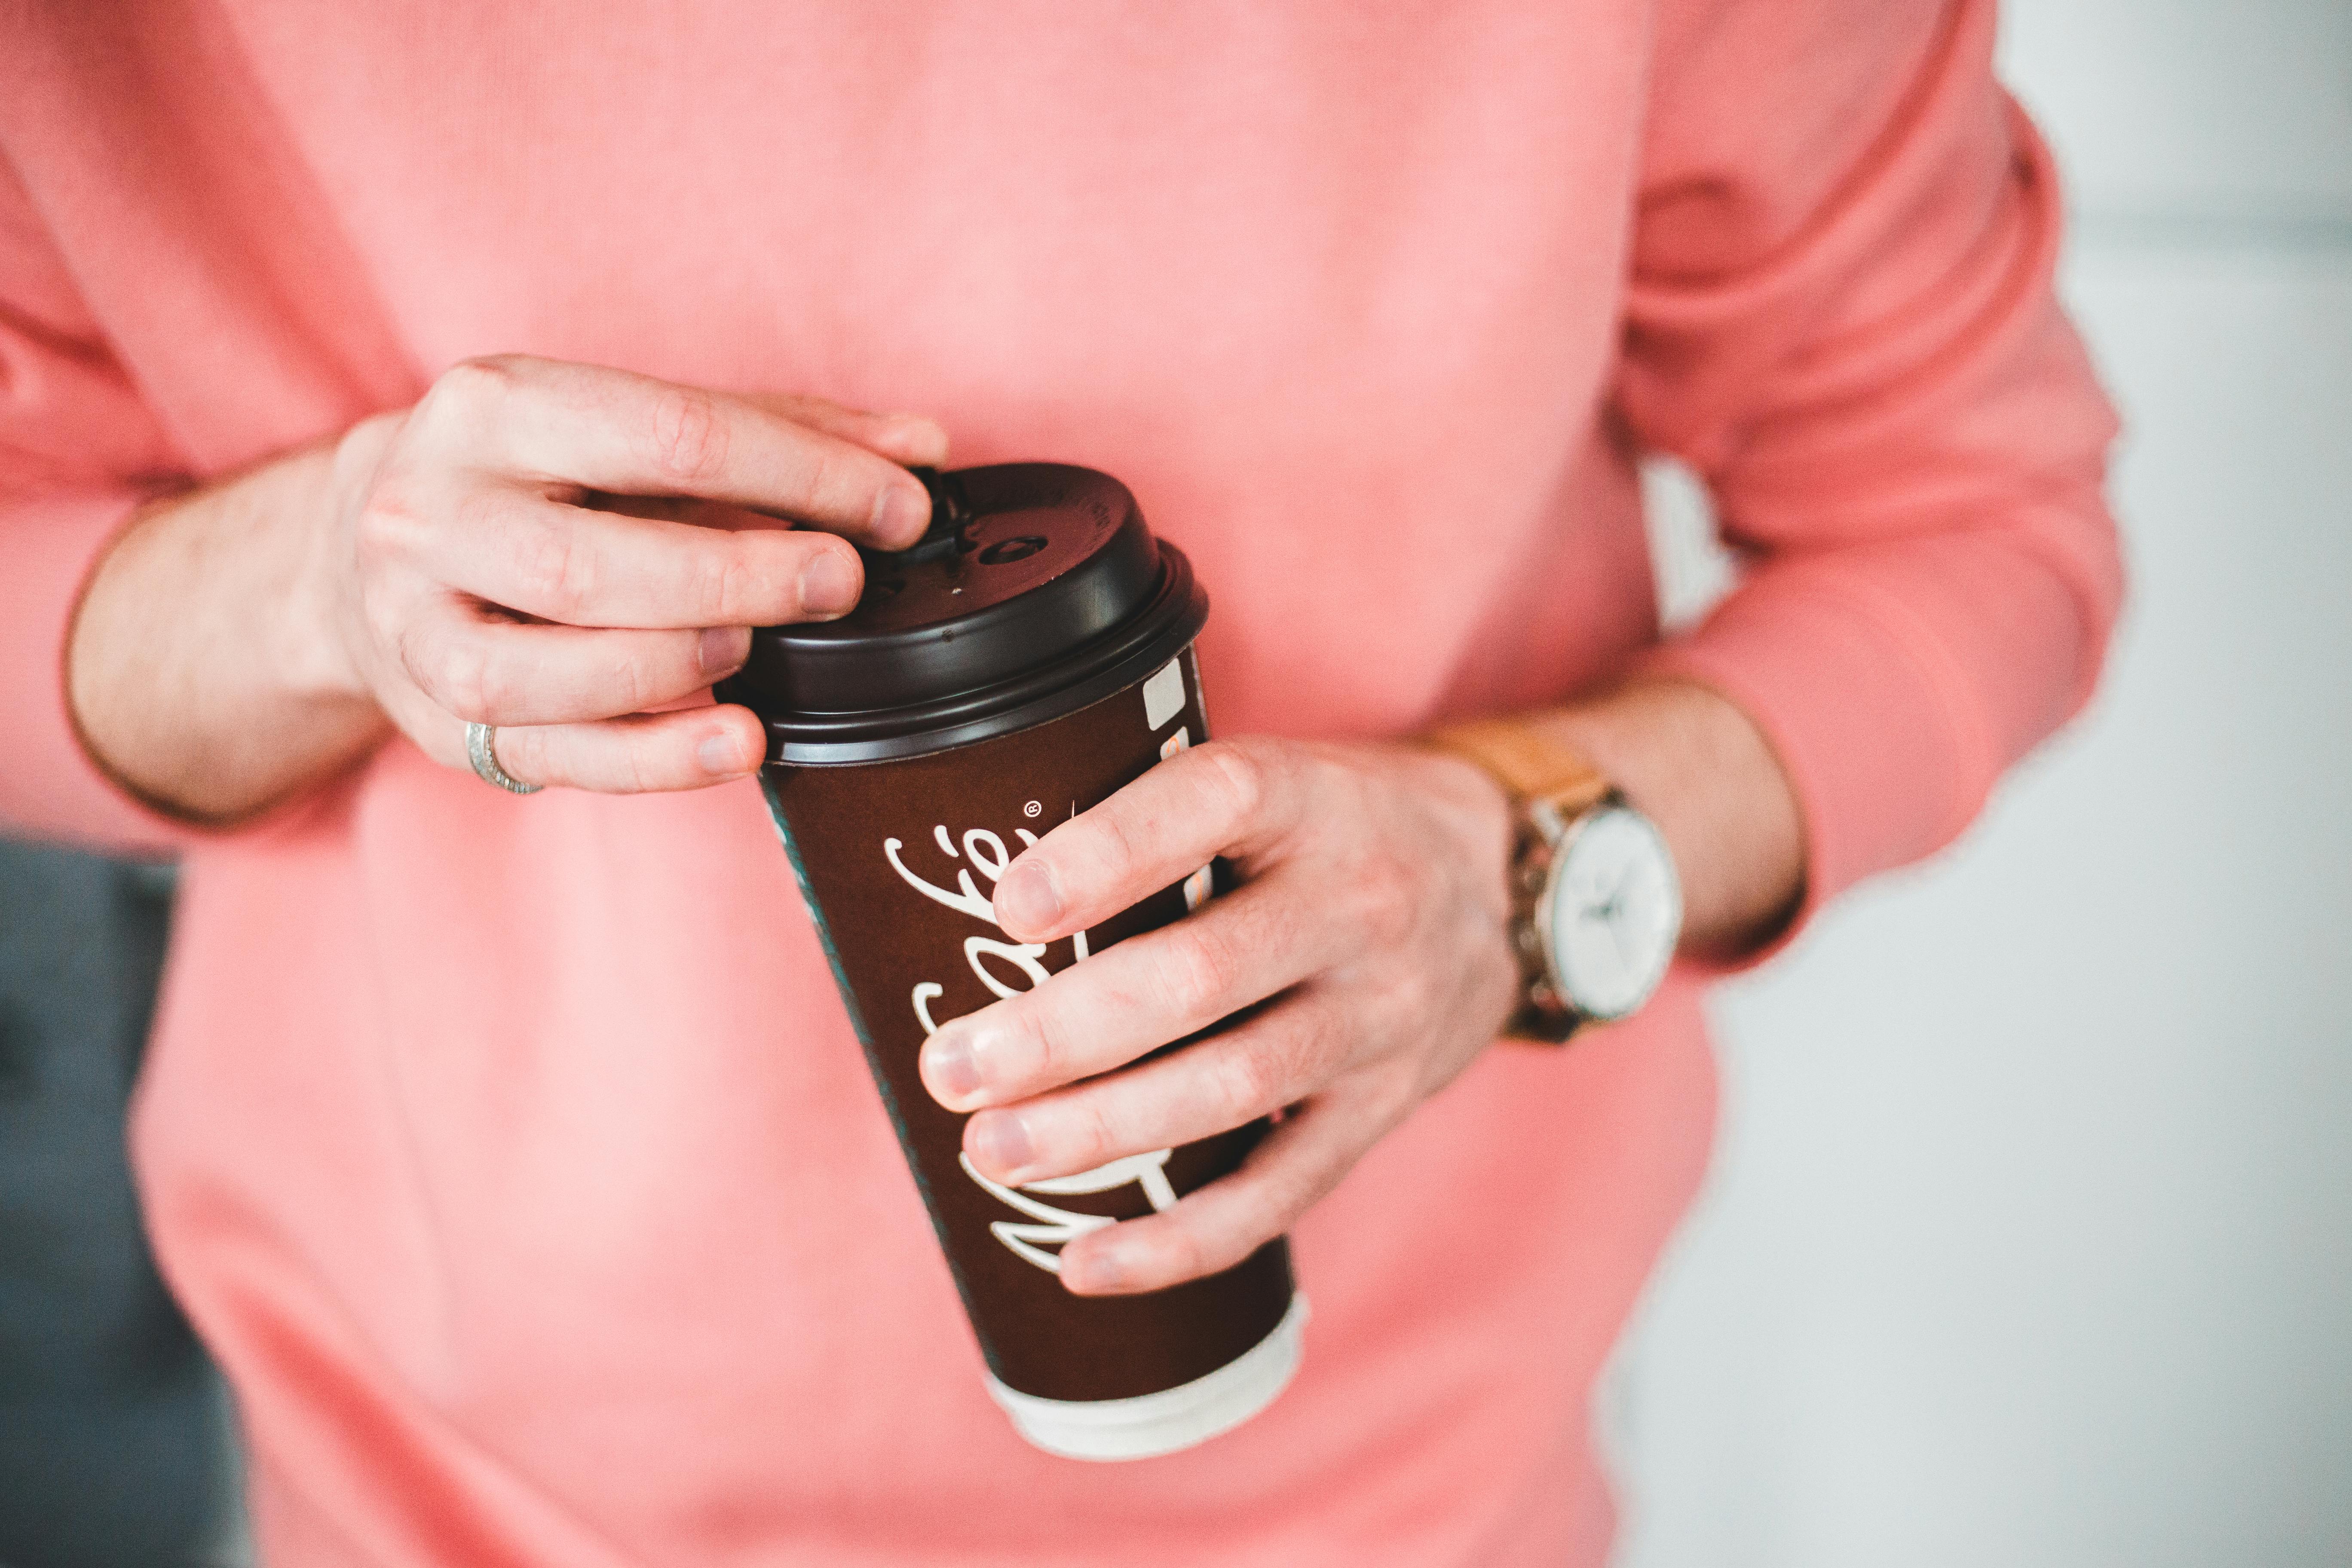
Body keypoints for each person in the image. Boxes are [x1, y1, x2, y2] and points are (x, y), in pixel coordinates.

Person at [0, 2, 2119, 1562]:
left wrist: (1519, 865)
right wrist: (320, 577)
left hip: (1402, 1495)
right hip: (431, 1499)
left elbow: (1969, 515)